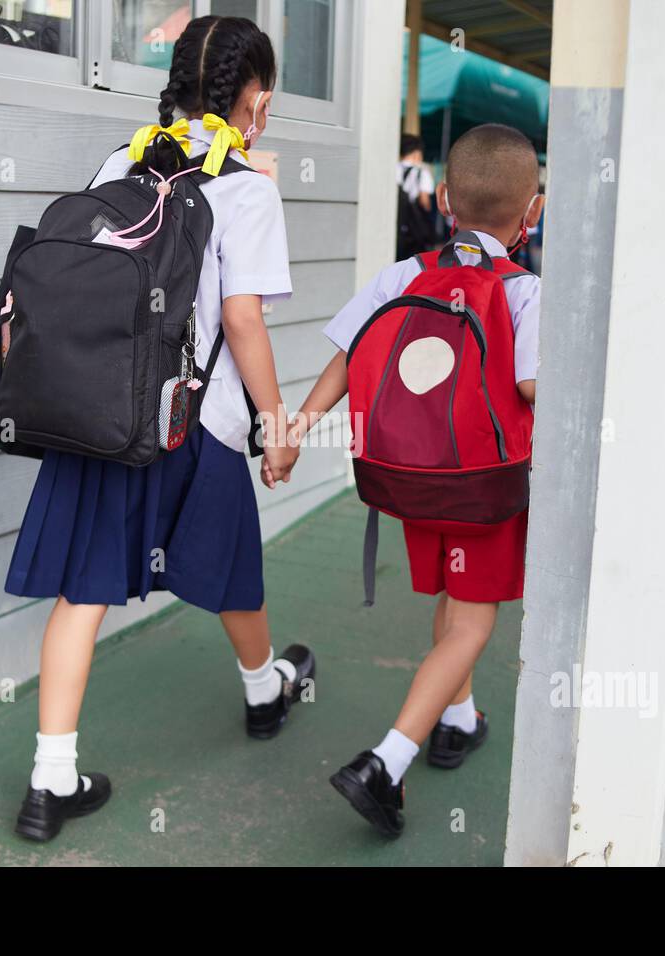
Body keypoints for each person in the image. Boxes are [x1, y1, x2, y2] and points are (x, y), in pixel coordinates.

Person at [3, 15, 312, 843]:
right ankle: (265, 691)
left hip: (103, 413)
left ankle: (49, 780)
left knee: (83, 591)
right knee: (233, 568)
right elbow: (242, 320)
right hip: (194, 421)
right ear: (256, 98)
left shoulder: (120, 161)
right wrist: (277, 424)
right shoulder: (247, 188)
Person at [286, 124, 543, 837]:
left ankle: (456, 720)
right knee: (472, 623)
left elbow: (349, 356)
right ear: (534, 210)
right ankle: (385, 762)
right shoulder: (526, 292)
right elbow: (531, 386)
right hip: (484, 488)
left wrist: (295, 430)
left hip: (410, 478)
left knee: (455, 602)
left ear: (447, 199)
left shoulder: (403, 275)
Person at [396, 133, 436, 260]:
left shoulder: (393, 168)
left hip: (395, 223)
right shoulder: (421, 172)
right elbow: (424, 201)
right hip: (413, 228)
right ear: (416, 153)